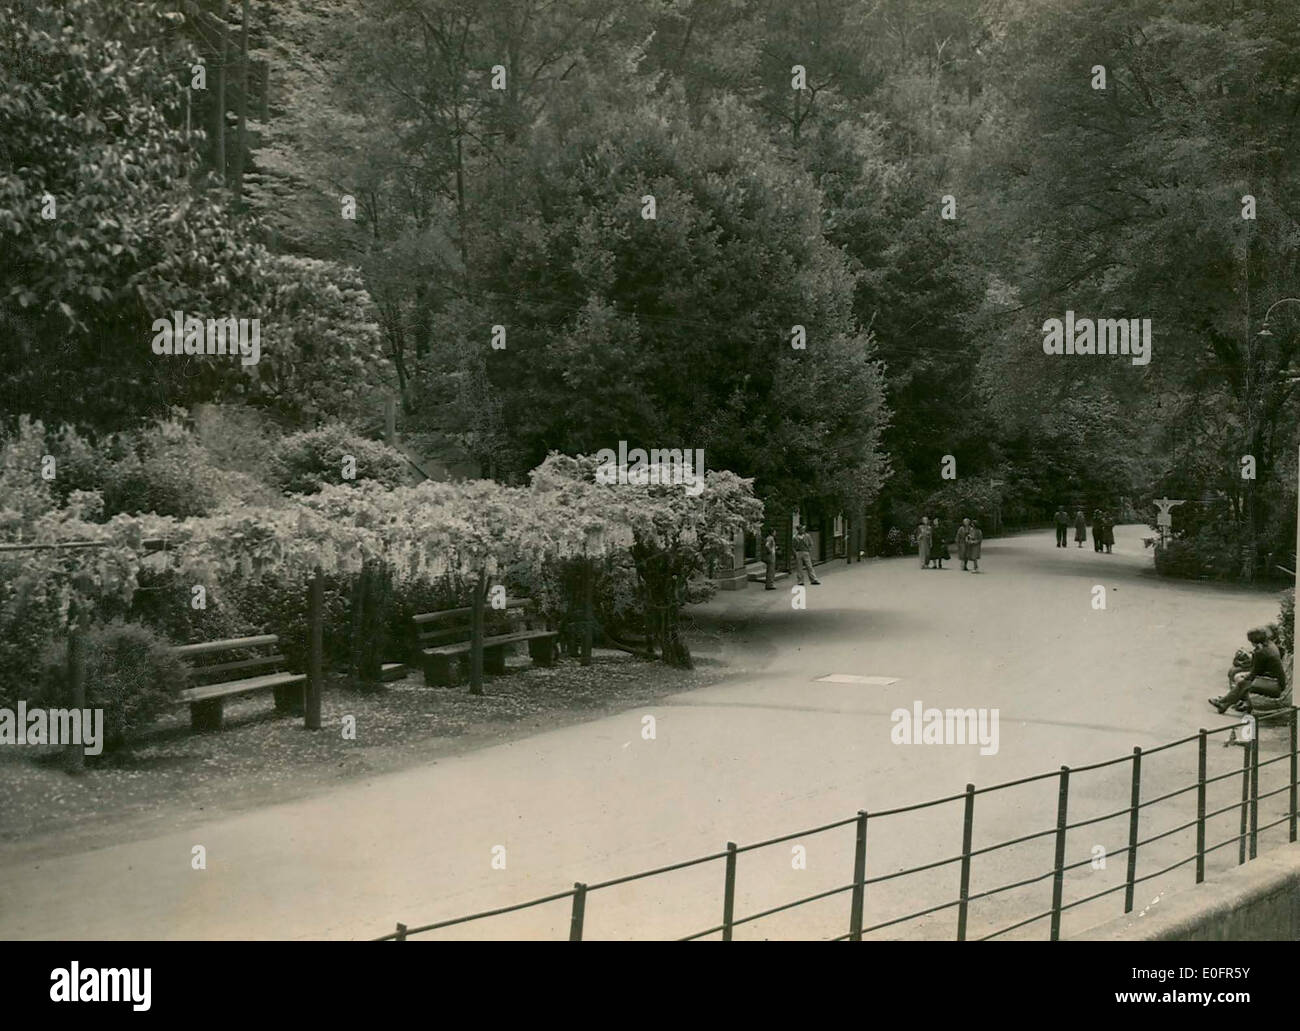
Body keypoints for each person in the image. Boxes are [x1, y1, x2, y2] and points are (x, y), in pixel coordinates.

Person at [1211, 628, 1288, 714]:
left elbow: (1254, 673)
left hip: (1275, 685)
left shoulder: (1261, 652)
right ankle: (1224, 704)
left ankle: (1223, 702)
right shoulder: (1270, 645)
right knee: (1244, 683)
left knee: (1244, 683)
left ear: (1254, 641)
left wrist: (1246, 675)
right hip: (1277, 681)